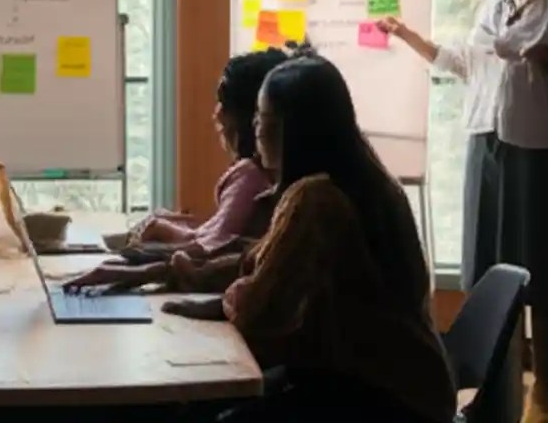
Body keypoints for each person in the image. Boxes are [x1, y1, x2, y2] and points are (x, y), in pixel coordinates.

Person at [168, 56, 455, 423]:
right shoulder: (365, 180)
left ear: (296, 128)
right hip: (407, 389)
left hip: (385, 399)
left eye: (264, 117)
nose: (255, 127)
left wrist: (221, 295)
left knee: (212, 412)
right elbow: (260, 263)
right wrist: (203, 282)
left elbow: (260, 312)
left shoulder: (317, 199)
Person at [380, 0, 548, 423]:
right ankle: (500, 387)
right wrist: (411, 38)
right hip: (486, 139)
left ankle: (543, 395)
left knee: (545, 268)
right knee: (486, 266)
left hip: (543, 150)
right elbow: (469, 61)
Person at [64, 46, 292, 292]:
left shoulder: (256, 179)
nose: (216, 115)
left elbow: (212, 249)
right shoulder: (277, 183)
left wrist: (154, 245)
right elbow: (234, 245)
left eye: (265, 117)